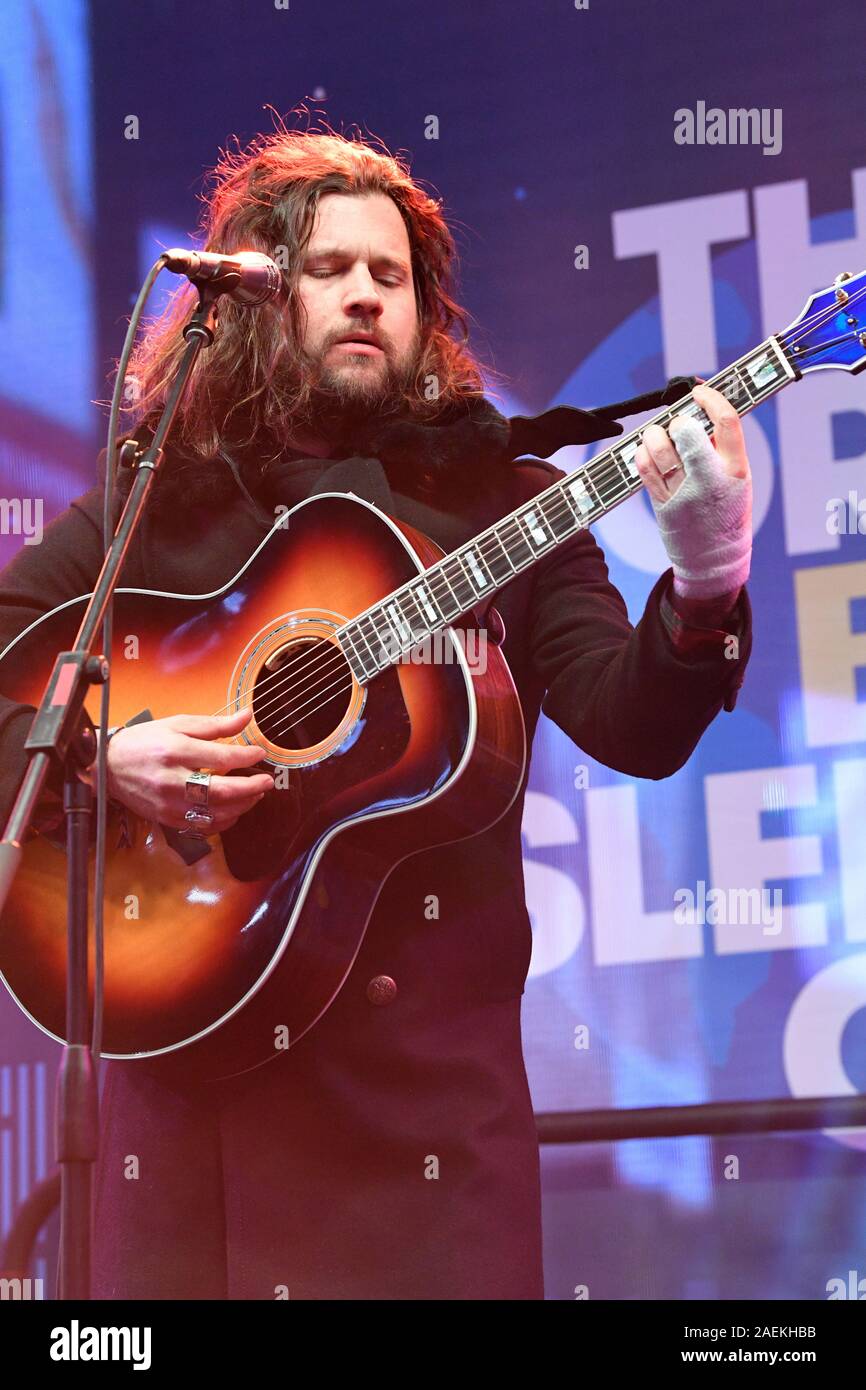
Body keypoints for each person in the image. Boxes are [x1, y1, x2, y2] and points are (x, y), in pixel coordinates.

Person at [0, 128, 753, 1300]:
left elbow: (631, 724)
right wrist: (101, 759)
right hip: (188, 1141)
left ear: (422, 314)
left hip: (425, 1162)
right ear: (253, 296)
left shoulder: (509, 501)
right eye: (328, 268)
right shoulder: (154, 504)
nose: (363, 293)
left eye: (390, 276)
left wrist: (705, 585)